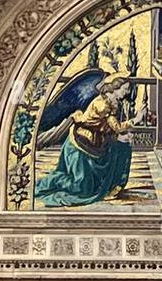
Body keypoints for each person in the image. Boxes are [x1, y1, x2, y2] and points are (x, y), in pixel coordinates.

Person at [35, 75, 136, 207]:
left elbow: (106, 127)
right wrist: (136, 120)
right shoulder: (102, 105)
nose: (127, 92)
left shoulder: (110, 101)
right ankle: (48, 184)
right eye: (125, 88)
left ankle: (111, 187)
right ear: (116, 88)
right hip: (81, 145)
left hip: (93, 143)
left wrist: (119, 136)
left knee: (120, 148)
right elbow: (116, 127)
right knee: (81, 189)